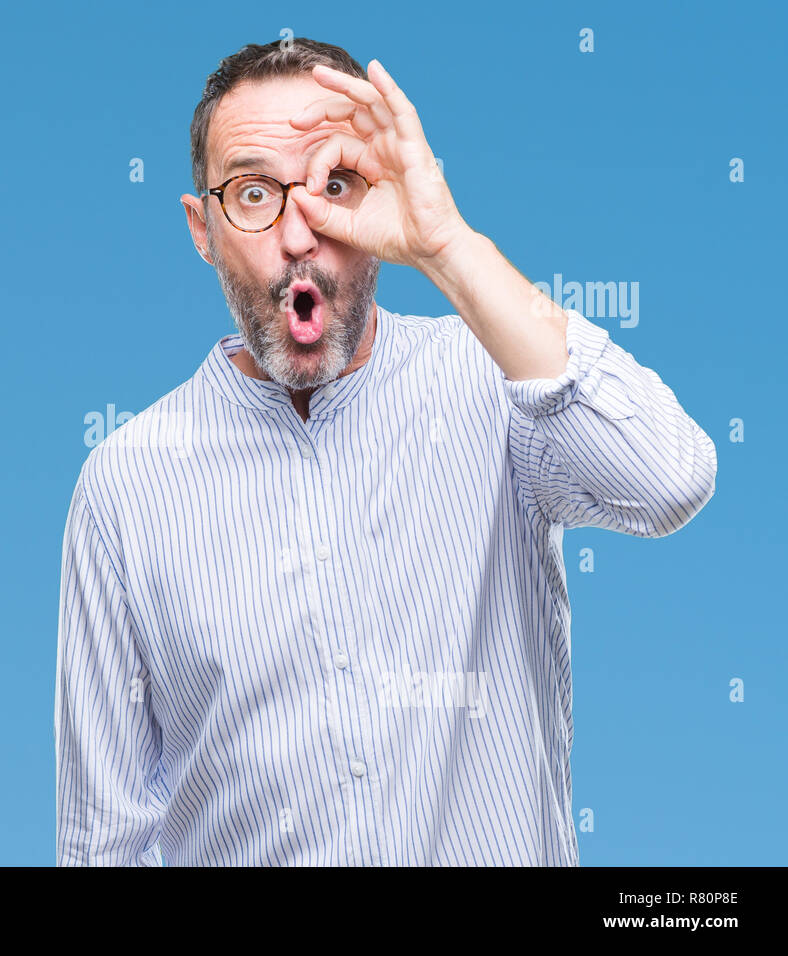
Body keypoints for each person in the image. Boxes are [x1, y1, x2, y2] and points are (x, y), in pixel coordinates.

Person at [55, 37, 717, 866]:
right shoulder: (124, 487)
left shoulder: (493, 381)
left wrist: (446, 243)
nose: (300, 235)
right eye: (255, 193)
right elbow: (101, 844)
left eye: (336, 186)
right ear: (203, 228)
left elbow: (671, 479)